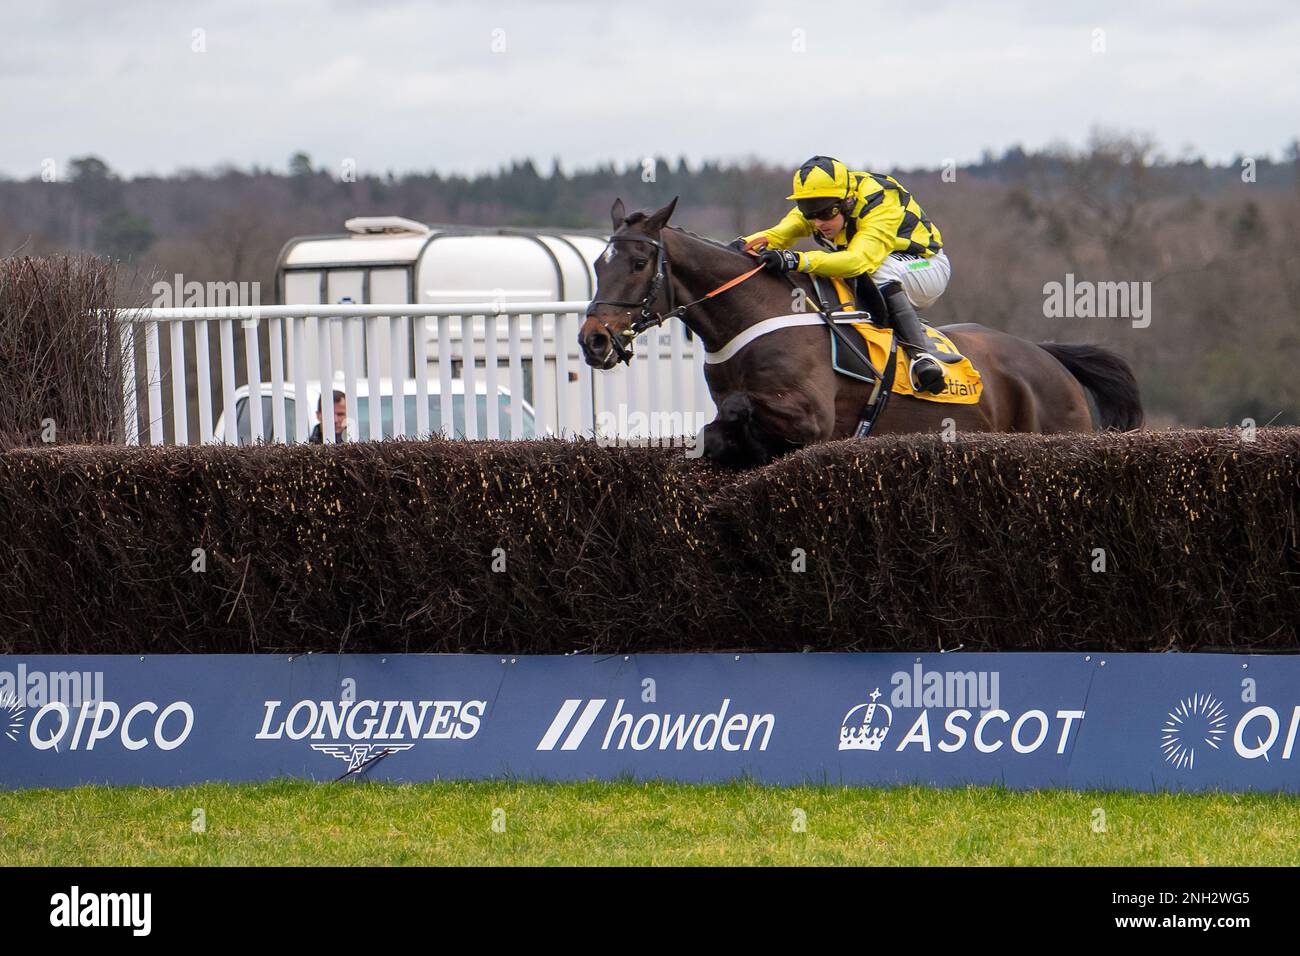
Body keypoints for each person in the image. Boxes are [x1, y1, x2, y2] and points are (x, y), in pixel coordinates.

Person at [733, 155, 955, 393]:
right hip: (885, 269)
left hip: (925, 266)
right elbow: (778, 235)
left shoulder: (879, 201)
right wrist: (738, 247)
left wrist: (797, 259)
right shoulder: (823, 202)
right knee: (833, 274)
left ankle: (920, 356)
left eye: (826, 212)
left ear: (848, 201)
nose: (818, 221)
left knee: (877, 269)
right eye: (809, 212)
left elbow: (858, 261)